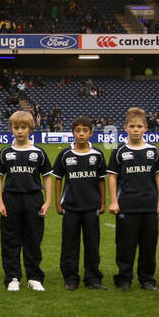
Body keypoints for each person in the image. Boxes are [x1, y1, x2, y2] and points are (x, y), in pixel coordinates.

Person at [106, 107, 159, 291]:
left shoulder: (153, 151)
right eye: (132, 126)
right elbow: (113, 177)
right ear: (125, 127)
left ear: (146, 127)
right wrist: (114, 201)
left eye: (139, 126)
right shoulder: (119, 151)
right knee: (125, 245)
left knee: (148, 245)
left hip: (149, 205)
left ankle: (147, 279)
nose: (136, 129)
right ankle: (124, 278)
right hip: (127, 205)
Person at [0, 110, 51, 292]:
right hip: (11, 199)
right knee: (11, 240)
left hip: (33, 198)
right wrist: (0, 202)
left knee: (33, 239)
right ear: (11, 129)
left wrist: (48, 201)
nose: (20, 131)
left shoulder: (38, 152)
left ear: (31, 129)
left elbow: (47, 177)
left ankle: (34, 277)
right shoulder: (6, 153)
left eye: (23, 127)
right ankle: (12, 277)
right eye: (16, 127)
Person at [49, 116, 107, 290]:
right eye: (78, 130)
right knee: (69, 245)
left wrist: (103, 202)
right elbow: (58, 179)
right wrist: (58, 203)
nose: (81, 134)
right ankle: (70, 278)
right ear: (73, 132)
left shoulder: (97, 154)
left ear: (91, 133)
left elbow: (102, 181)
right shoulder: (65, 154)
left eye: (85, 131)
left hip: (92, 207)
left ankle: (93, 278)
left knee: (92, 244)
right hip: (71, 207)